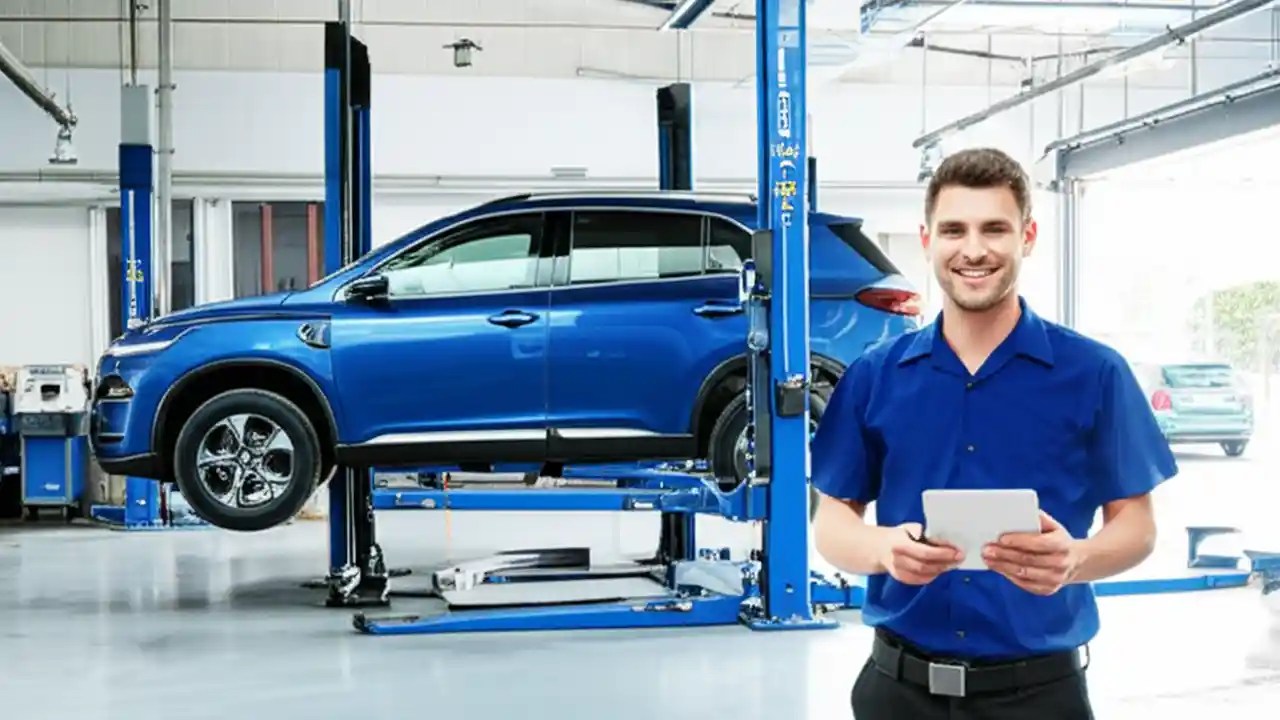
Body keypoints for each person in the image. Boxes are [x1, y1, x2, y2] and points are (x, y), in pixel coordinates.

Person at [810, 147, 1178, 719]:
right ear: (927, 239)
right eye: (954, 229)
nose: (974, 249)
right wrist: (882, 548)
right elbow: (832, 521)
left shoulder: (1095, 374)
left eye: (995, 229)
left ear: (1027, 237)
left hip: (1039, 698)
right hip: (896, 694)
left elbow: (1138, 526)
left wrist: (1075, 559)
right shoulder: (874, 376)